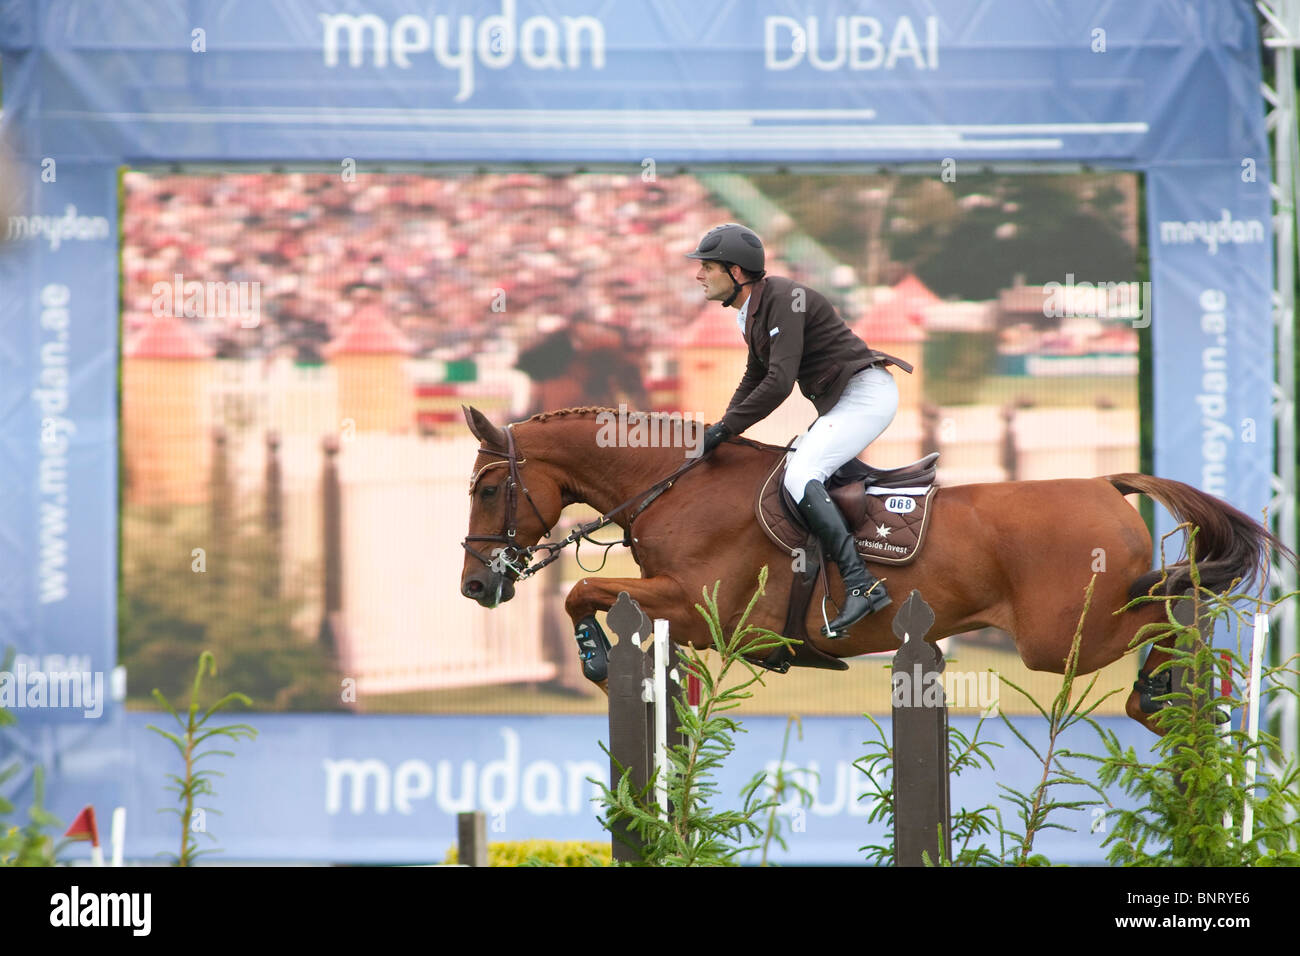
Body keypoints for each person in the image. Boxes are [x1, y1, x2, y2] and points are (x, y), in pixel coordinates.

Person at [687, 223, 913, 637]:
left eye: (707, 267)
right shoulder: (750, 313)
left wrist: (724, 430)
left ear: (735, 272)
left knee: (800, 474)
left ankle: (861, 585)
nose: (699, 275)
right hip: (847, 399)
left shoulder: (783, 298)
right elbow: (755, 376)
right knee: (792, 471)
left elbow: (778, 383)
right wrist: (723, 427)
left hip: (866, 396)